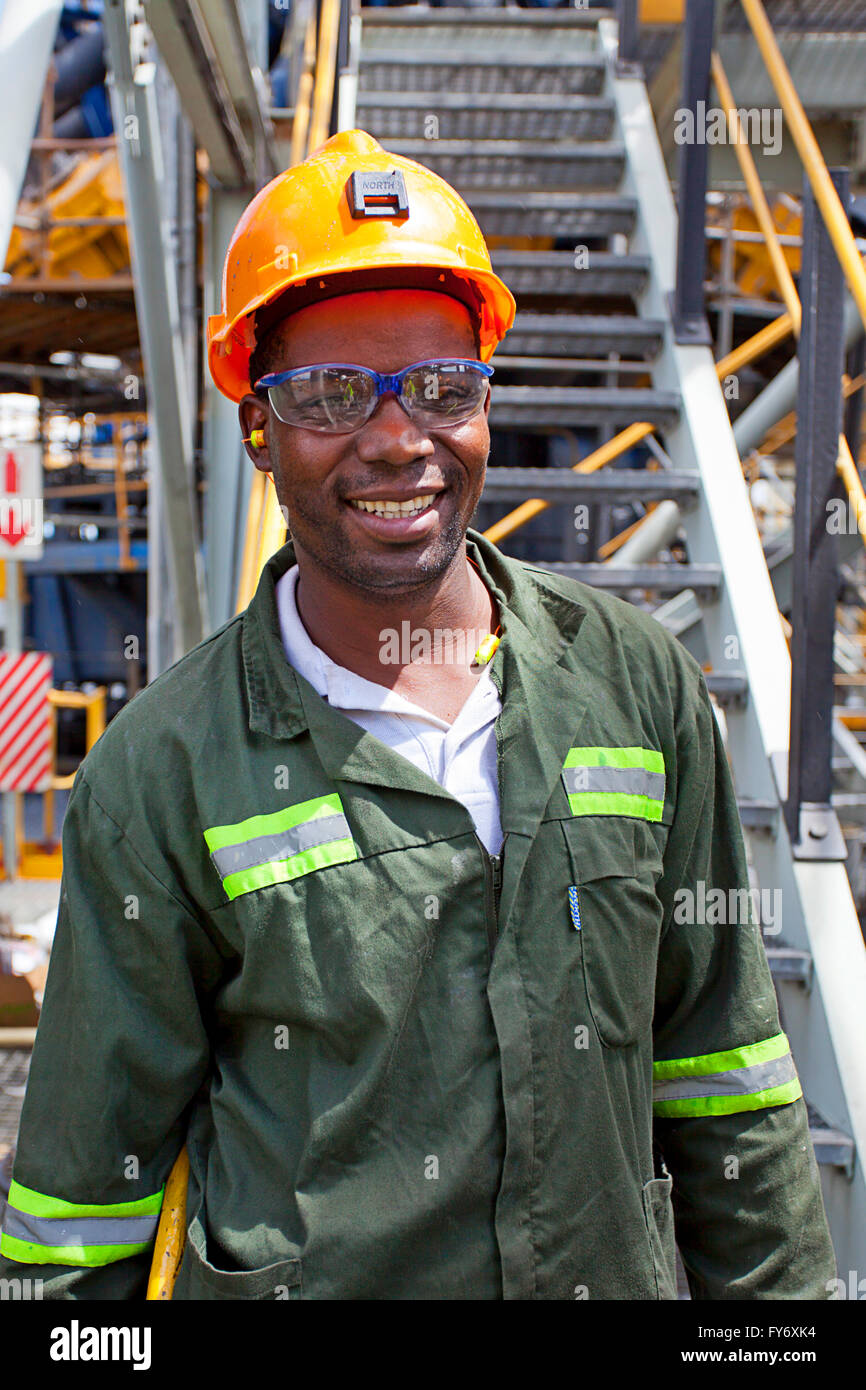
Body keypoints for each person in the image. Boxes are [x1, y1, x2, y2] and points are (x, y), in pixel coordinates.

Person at [0, 130, 835, 1299]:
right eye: (332, 394)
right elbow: (78, 1219)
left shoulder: (633, 688)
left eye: (442, 388)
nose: (399, 439)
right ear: (257, 428)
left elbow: (725, 1079)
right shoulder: (164, 775)